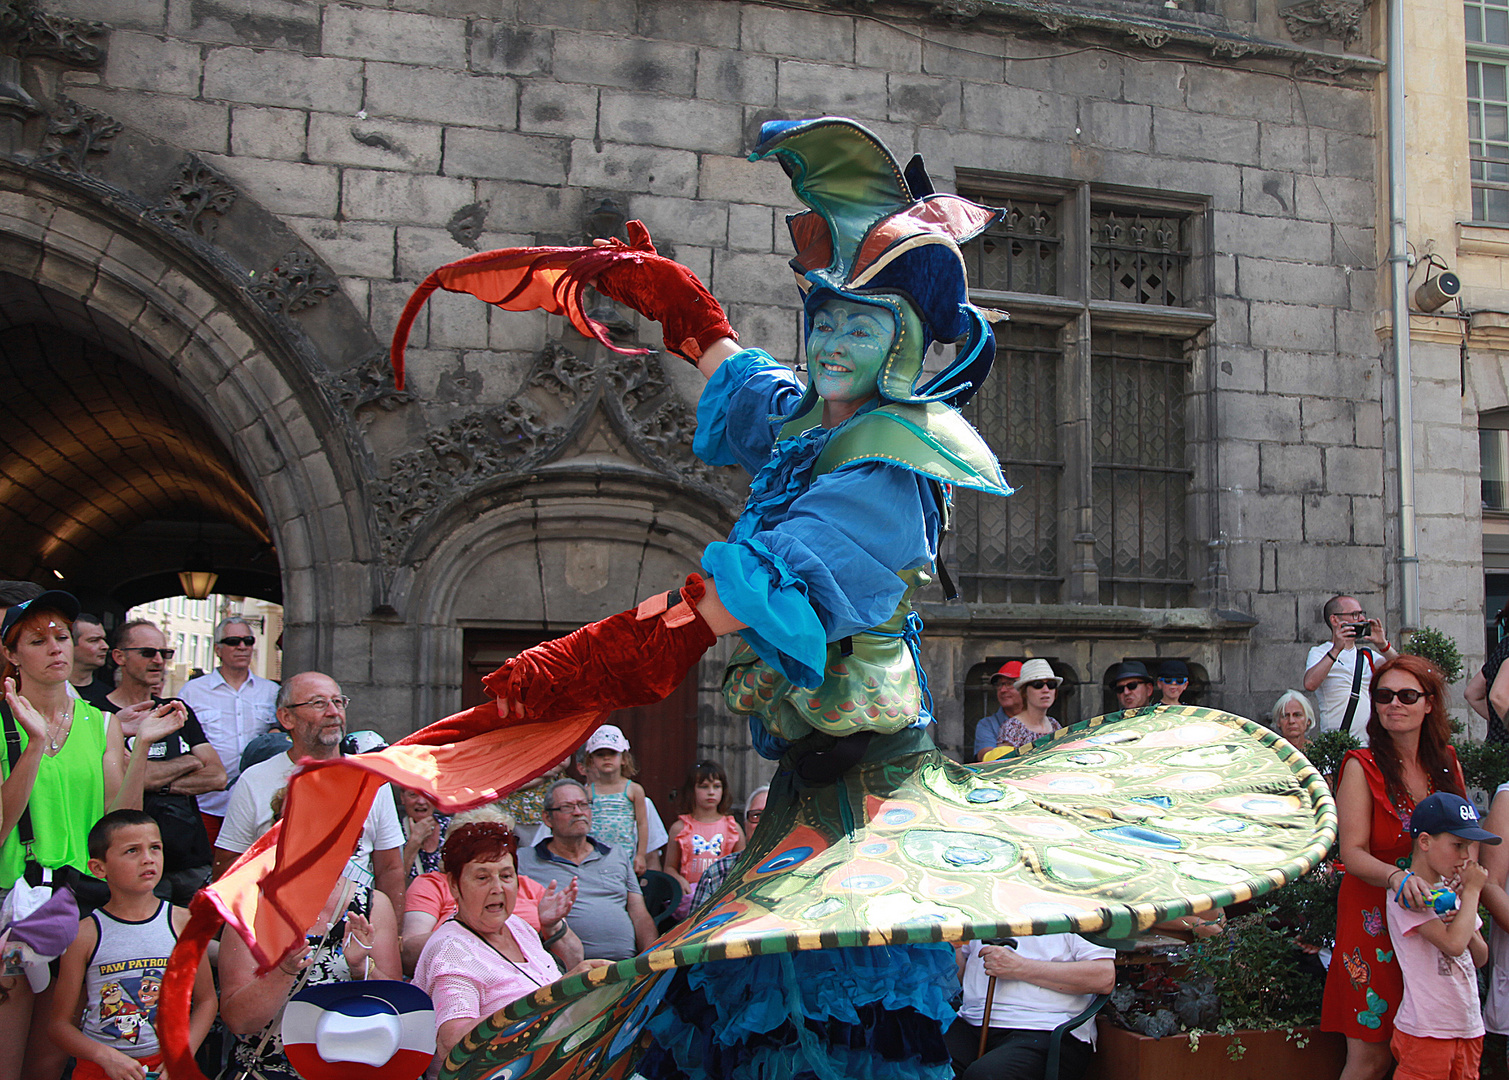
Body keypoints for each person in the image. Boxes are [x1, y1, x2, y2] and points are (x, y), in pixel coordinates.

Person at [0, 592, 181, 1080]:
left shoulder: (100, 723)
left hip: (78, 905)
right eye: (37, 641)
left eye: (61, 636)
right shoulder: (1, 722)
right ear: (12, 654)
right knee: (6, 1059)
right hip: (13, 904)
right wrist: (34, 745)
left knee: (48, 1060)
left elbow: (118, 825)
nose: (55, 648)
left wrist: (139, 748)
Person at [1321, 654, 1466, 1080]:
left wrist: (1463, 883)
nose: (1394, 704)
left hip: (1433, 916)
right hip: (1373, 917)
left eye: (1407, 695)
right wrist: (1397, 877)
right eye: (1384, 696)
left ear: (1429, 703)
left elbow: (1465, 838)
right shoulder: (1360, 765)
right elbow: (1352, 852)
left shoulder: (1447, 763)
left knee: (1427, 1047)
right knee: (1372, 1057)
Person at [218, 786, 402, 1080]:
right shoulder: (248, 907)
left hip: (349, 1071)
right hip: (269, 1072)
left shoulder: (373, 905)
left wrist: (362, 968)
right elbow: (239, 1021)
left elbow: (397, 1011)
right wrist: (284, 972)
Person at [413, 817, 609, 1067]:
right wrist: (555, 995)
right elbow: (452, 1042)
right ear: (454, 885)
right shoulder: (451, 951)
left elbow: (551, 991)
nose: (497, 888)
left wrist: (573, 984)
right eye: (482, 878)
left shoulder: (517, 926)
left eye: (506, 876)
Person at [212, 671, 406, 918]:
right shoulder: (255, 780)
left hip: (353, 927)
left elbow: (389, 868)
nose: (333, 712)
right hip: (277, 924)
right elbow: (228, 866)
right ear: (286, 717)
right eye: (318, 703)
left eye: (338, 702)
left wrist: (393, 932)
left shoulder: (372, 779)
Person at [47, 810, 217, 1080]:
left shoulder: (184, 922)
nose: (148, 858)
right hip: (101, 1069)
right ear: (98, 868)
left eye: (155, 848)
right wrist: (104, 1056)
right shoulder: (84, 934)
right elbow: (59, 1025)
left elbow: (206, 1001)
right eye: (132, 851)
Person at [99, 619, 225, 905]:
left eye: (165, 653)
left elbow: (217, 776)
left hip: (191, 858)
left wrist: (152, 780)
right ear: (119, 656)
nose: (158, 660)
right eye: (147, 652)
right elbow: (133, 778)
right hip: (134, 863)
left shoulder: (176, 710)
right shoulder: (101, 715)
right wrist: (189, 761)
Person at [400, 802, 583, 977]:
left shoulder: (528, 886)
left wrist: (552, 927)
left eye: (503, 840)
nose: (497, 888)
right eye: (482, 878)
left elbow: (574, 962)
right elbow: (409, 955)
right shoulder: (433, 885)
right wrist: (474, 933)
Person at [1387, 792, 1496, 1080]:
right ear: (1424, 842)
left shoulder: (1453, 890)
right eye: (1458, 845)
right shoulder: (1407, 892)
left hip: (1468, 1027)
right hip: (1427, 1031)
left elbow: (1481, 956)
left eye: (1469, 847)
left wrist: (1464, 915)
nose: (1465, 856)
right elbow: (1452, 944)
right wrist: (1472, 892)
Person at [516, 779, 656, 962]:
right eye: (567, 807)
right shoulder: (524, 860)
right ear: (547, 818)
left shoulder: (616, 854)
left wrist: (649, 961)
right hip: (561, 970)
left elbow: (639, 913)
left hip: (623, 968)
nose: (578, 812)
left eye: (583, 805)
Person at [945, 934, 1116, 1080]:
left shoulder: (1077, 910)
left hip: (1045, 1028)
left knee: (987, 1075)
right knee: (933, 1065)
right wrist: (950, 950)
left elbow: (1103, 977)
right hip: (972, 1021)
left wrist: (1020, 967)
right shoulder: (980, 907)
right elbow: (960, 975)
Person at [178, 617, 280, 845]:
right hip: (208, 802)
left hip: (258, 803)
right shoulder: (192, 692)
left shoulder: (271, 692)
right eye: (233, 641)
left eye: (248, 641)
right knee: (208, 863)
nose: (242, 647)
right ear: (218, 649)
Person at [1305, 595, 1400, 746]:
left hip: (1368, 744)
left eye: (1361, 614)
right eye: (1355, 614)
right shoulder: (1319, 652)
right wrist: (1336, 649)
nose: (1361, 618)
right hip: (1336, 745)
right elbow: (1310, 683)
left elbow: (1403, 670)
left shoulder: (1367, 655)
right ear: (1335, 620)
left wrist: (1383, 645)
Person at [664, 760, 744, 919]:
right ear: (691, 790)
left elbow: (743, 867)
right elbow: (669, 867)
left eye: (717, 786)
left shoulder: (733, 828)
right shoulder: (680, 828)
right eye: (704, 786)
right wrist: (679, 880)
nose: (711, 792)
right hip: (690, 899)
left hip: (722, 898)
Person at [579, 725, 649, 875]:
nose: (606, 758)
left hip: (625, 857)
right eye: (600, 754)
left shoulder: (634, 790)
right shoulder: (587, 792)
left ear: (624, 758)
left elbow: (642, 823)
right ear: (591, 761)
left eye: (612, 753)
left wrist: (641, 855)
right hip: (593, 857)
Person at [688, 785, 768, 913]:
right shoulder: (718, 872)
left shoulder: (802, 873)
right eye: (757, 815)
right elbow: (695, 924)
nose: (764, 822)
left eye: (773, 814)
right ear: (746, 824)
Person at [980, 659, 1061, 759]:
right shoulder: (1013, 727)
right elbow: (1003, 764)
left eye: (1051, 685)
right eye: (1037, 685)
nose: (1046, 690)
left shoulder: (1054, 724)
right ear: (1024, 692)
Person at [1466, 607, 1509, 746]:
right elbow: (1498, 696)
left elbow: (1472, 693)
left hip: (1495, 746)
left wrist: (1499, 723)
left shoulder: (1503, 646)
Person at [973, 661, 1023, 761]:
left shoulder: (1047, 722)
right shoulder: (987, 724)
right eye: (999, 684)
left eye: (1010, 684)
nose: (1003, 690)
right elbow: (987, 759)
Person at [398, 786, 449, 881]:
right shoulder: (394, 832)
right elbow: (394, 880)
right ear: (402, 797)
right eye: (413, 795)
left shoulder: (451, 826)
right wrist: (415, 841)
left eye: (428, 794)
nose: (421, 802)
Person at [68, 614, 112, 710]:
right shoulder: (50, 692)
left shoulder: (109, 697)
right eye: (94, 640)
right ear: (69, 643)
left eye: (104, 639)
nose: (105, 646)